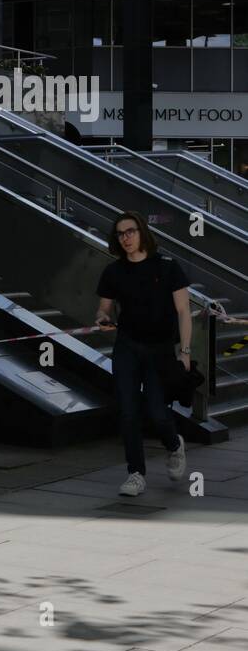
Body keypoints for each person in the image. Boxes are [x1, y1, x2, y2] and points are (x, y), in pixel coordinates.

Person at [94, 211, 190, 497]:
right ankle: (135, 473)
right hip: (127, 347)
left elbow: (184, 312)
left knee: (158, 414)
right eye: (120, 233)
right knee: (128, 411)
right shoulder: (113, 272)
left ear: (142, 232)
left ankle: (174, 444)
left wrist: (184, 351)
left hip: (160, 350)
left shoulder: (168, 267)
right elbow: (104, 308)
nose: (126, 238)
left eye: (130, 231)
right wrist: (101, 318)